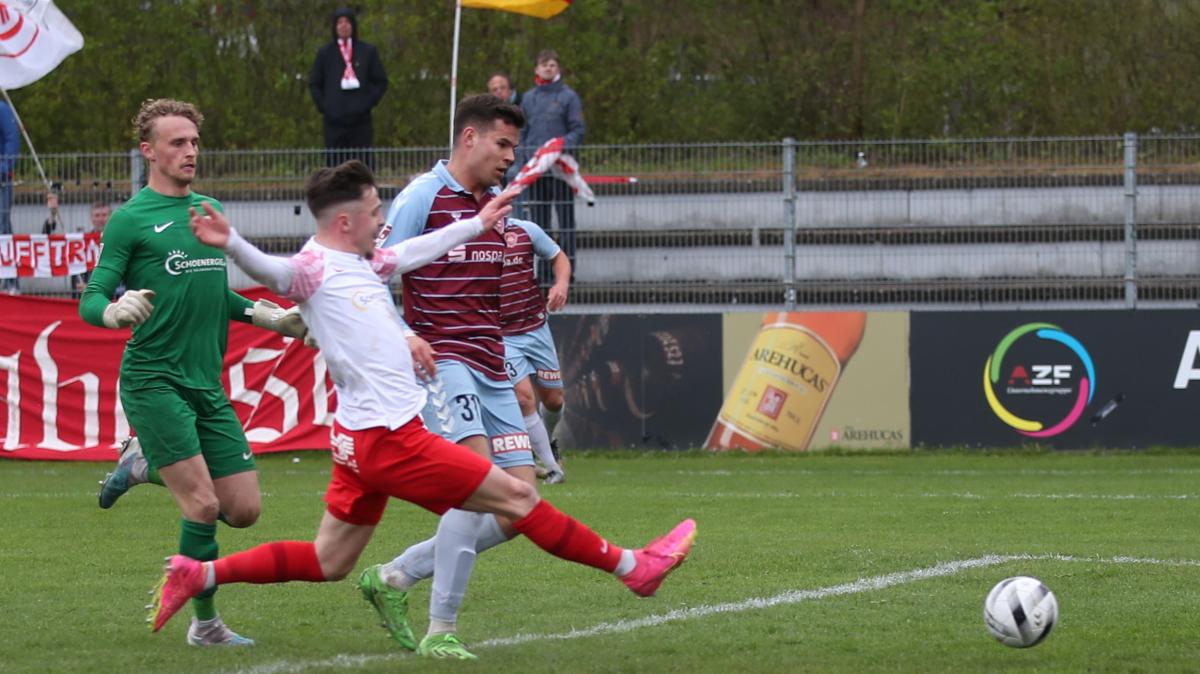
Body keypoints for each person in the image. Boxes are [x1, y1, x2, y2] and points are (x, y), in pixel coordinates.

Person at [148, 160, 696, 658]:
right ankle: (633, 568)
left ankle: (199, 574)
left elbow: (415, 251)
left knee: (329, 561)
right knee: (517, 496)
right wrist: (233, 244)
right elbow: (275, 272)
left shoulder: (362, 260)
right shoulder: (315, 267)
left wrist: (476, 225)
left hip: (359, 439)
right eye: (373, 211)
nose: (380, 220)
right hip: (390, 440)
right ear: (345, 222)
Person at [79, 98, 311, 646]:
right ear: (148, 151)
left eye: (194, 142)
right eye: (177, 142)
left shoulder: (207, 208)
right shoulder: (130, 221)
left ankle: (141, 464)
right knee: (203, 504)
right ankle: (206, 626)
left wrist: (268, 316)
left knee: (243, 510)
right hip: (153, 380)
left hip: (205, 382)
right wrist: (112, 311)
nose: (190, 151)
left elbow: (211, 288)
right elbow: (91, 296)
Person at [363, 93, 546, 659]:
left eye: (515, 147)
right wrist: (404, 335)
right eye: (502, 144)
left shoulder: (495, 204)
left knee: (520, 506)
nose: (510, 157)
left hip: (493, 364)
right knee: (474, 481)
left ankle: (394, 576)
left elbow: (491, 296)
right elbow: (373, 274)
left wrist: (514, 356)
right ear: (469, 137)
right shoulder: (422, 195)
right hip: (445, 362)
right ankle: (441, 629)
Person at [500, 216, 571, 482]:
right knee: (523, 399)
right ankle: (553, 468)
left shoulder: (525, 230)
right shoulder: (470, 238)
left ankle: (548, 441)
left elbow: (559, 257)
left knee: (554, 401)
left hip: (536, 328)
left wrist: (561, 284)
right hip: (502, 335)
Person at [519, 49, 584, 284]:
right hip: (536, 173)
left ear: (558, 69)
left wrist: (559, 148)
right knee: (539, 224)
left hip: (560, 171)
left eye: (553, 65)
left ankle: (568, 272)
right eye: (544, 64)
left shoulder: (569, 97)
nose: (548, 68)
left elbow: (578, 130)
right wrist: (528, 157)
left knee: (566, 223)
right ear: (536, 69)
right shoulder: (528, 98)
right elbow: (523, 132)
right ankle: (544, 274)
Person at [308, 7, 388, 169]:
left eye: (347, 22)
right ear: (335, 26)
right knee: (335, 167)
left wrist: (366, 104)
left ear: (353, 25)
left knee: (361, 166)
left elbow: (381, 82)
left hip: (360, 122)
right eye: (339, 22)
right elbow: (314, 84)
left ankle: (362, 194)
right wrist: (326, 108)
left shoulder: (367, 51)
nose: (343, 26)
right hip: (334, 123)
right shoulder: (325, 54)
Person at [0, 101, 19, 294]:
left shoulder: (2, 109)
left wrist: (3, 169)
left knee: (2, 228)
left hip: (1, 180)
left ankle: (11, 283)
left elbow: (11, 139)